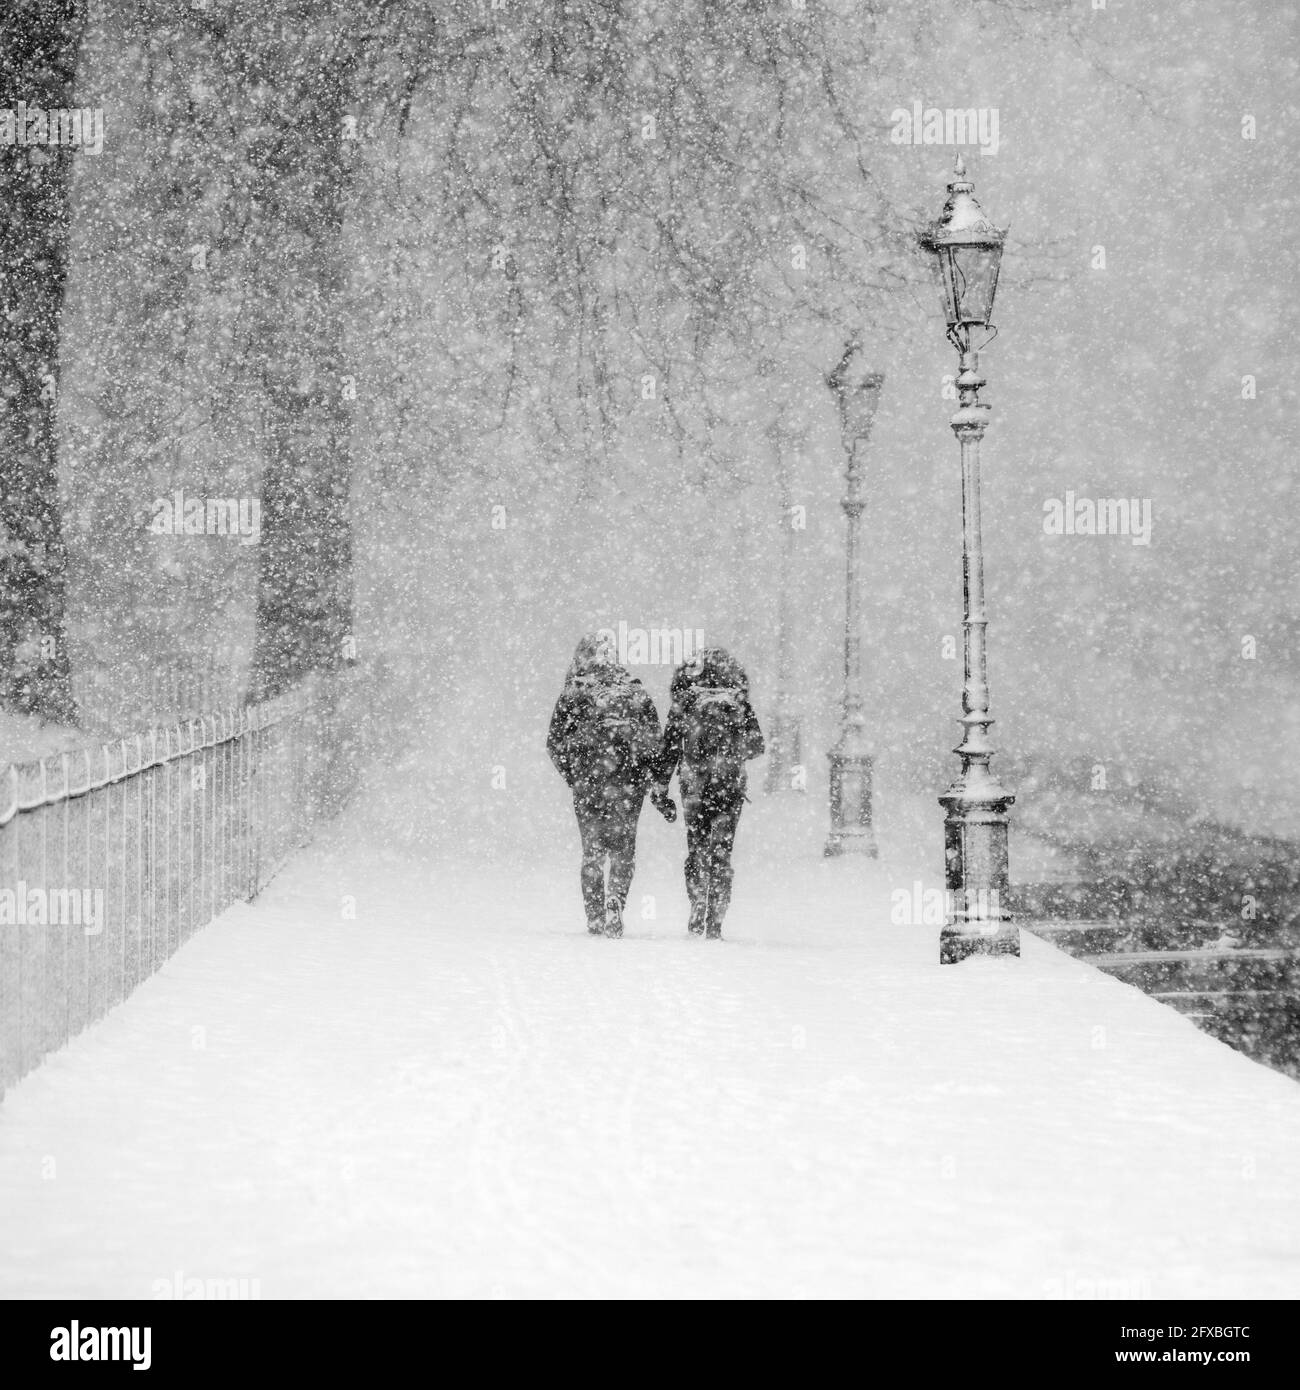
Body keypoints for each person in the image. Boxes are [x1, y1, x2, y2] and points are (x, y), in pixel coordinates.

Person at [546, 632, 661, 937]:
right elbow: (655, 743)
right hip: (628, 785)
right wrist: (645, 779)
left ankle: (595, 916)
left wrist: (575, 776)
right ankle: (616, 901)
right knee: (623, 850)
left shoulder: (575, 691)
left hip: (589, 783)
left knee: (593, 853)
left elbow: (554, 743)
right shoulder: (635, 692)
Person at [651, 647, 764, 939]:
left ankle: (697, 904)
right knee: (722, 853)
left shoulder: (686, 702)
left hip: (695, 788)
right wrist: (729, 752)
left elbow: (669, 749)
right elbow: (756, 746)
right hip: (729, 787)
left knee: (698, 847)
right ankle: (716, 918)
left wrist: (660, 787)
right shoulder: (738, 703)